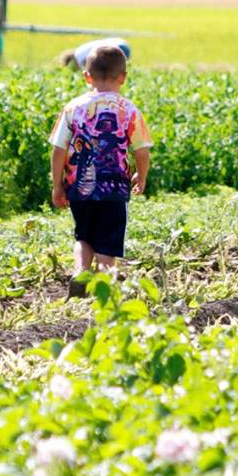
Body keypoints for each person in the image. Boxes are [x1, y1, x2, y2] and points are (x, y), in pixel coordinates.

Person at [49, 42, 151, 292]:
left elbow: (58, 150)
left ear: (86, 77)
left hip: (80, 188)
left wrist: (57, 185)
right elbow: (142, 151)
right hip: (114, 190)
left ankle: (81, 273)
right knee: (108, 242)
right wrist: (141, 176)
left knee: (83, 236)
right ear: (123, 78)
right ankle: (103, 286)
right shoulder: (129, 110)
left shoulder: (73, 108)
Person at [58, 37, 131, 76]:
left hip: (118, 47)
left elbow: (90, 68)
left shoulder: (79, 58)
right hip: (120, 43)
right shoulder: (79, 51)